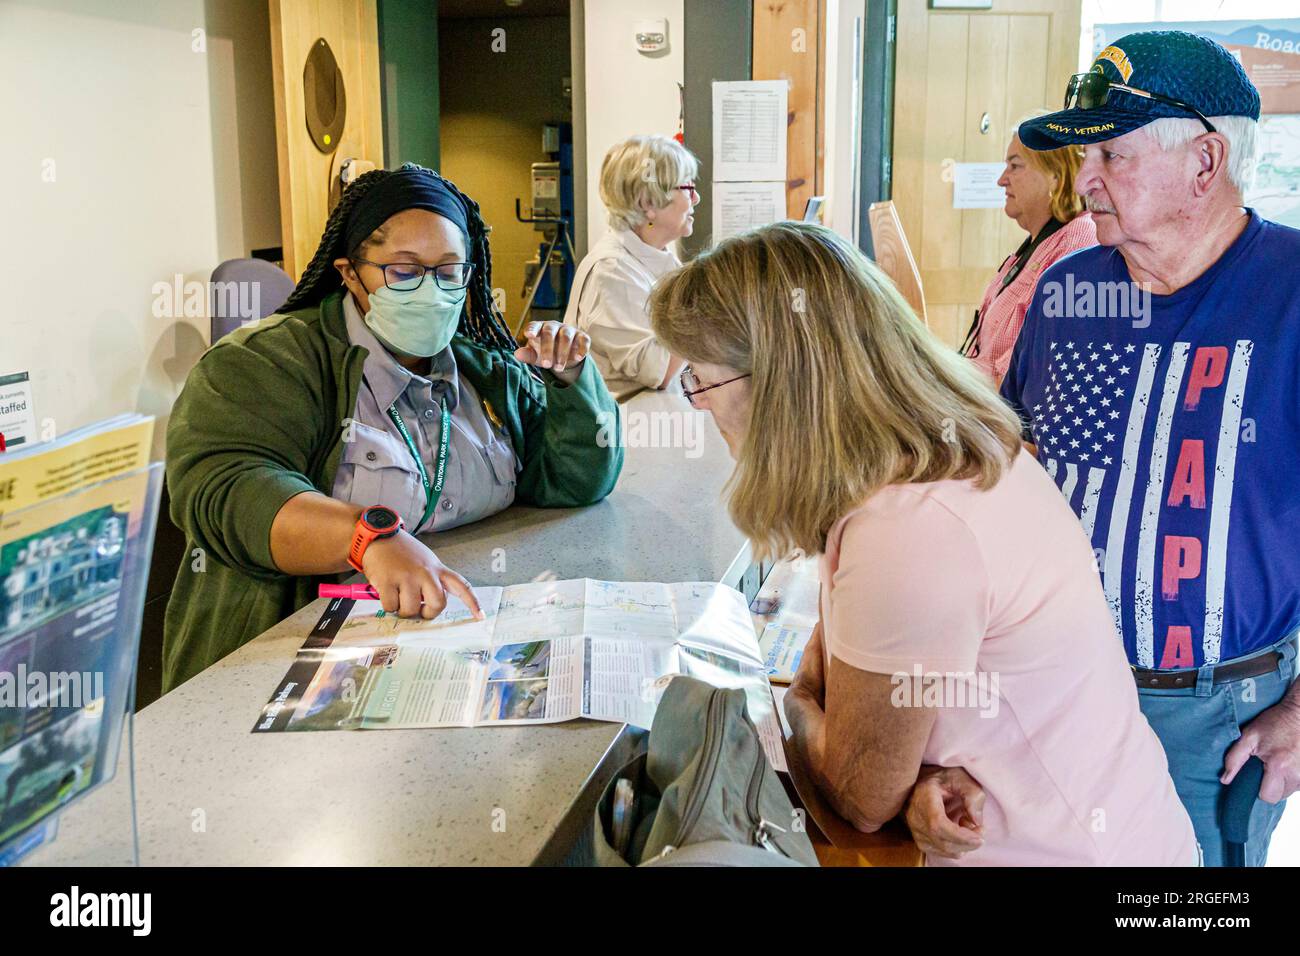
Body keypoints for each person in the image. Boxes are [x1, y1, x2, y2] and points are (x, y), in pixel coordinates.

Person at [648, 219, 1197, 866]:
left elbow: (861, 794)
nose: (701, 407)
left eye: (701, 382)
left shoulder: (905, 526)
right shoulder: (937, 456)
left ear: (780, 387)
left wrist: (794, 705)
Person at [1000, 30, 1300, 866]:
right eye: (1082, 156)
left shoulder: (1292, 292)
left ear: (1206, 162)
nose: (1083, 181)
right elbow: (1013, 468)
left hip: (1212, 725)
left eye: (1111, 157)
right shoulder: (1066, 291)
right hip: (1048, 694)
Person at [163, 164, 622, 691]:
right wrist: (366, 538)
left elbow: (575, 480)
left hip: (452, 641)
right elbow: (228, 490)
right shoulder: (263, 361)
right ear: (350, 273)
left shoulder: (482, 369)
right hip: (288, 664)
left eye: (449, 271)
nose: (431, 290)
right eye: (404, 272)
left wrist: (570, 385)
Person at [564, 135, 699, 401]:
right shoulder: (611, 271)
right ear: (647, 203)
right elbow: (660, 370)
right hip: (622, 431)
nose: (695, 198)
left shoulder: (656, 258)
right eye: (687, 187)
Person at [961, 121, 1096, 383]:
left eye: (1015, 166)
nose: (1001, 180)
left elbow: (1031, 369)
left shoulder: (1078, 241)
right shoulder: (1037, 244)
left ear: (1056, 176)